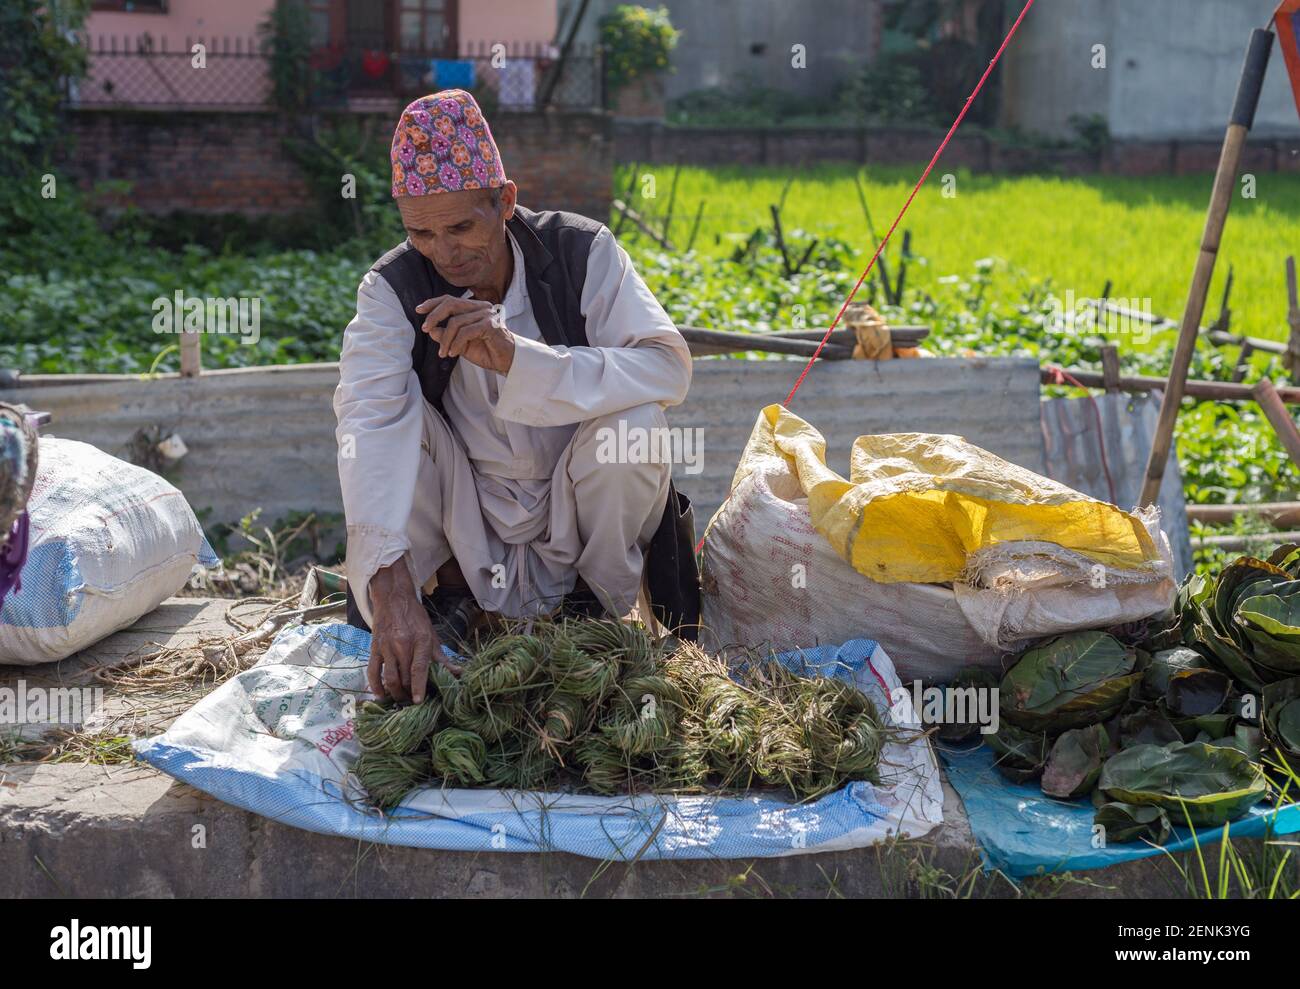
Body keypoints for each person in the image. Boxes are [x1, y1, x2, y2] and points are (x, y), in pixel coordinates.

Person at [334, 89, 698, 704]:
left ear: (505, 200)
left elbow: (667, 369)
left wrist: (518, 360)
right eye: (421, 233)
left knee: (633, 423)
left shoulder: (582, 252)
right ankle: (447, 599)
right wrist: (389, 589)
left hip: (573, 505)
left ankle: (592, 614)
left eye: (460, 227)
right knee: (393, 426)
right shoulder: (392, 288)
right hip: (467, 516)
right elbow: (366, 422)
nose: (444, 253)